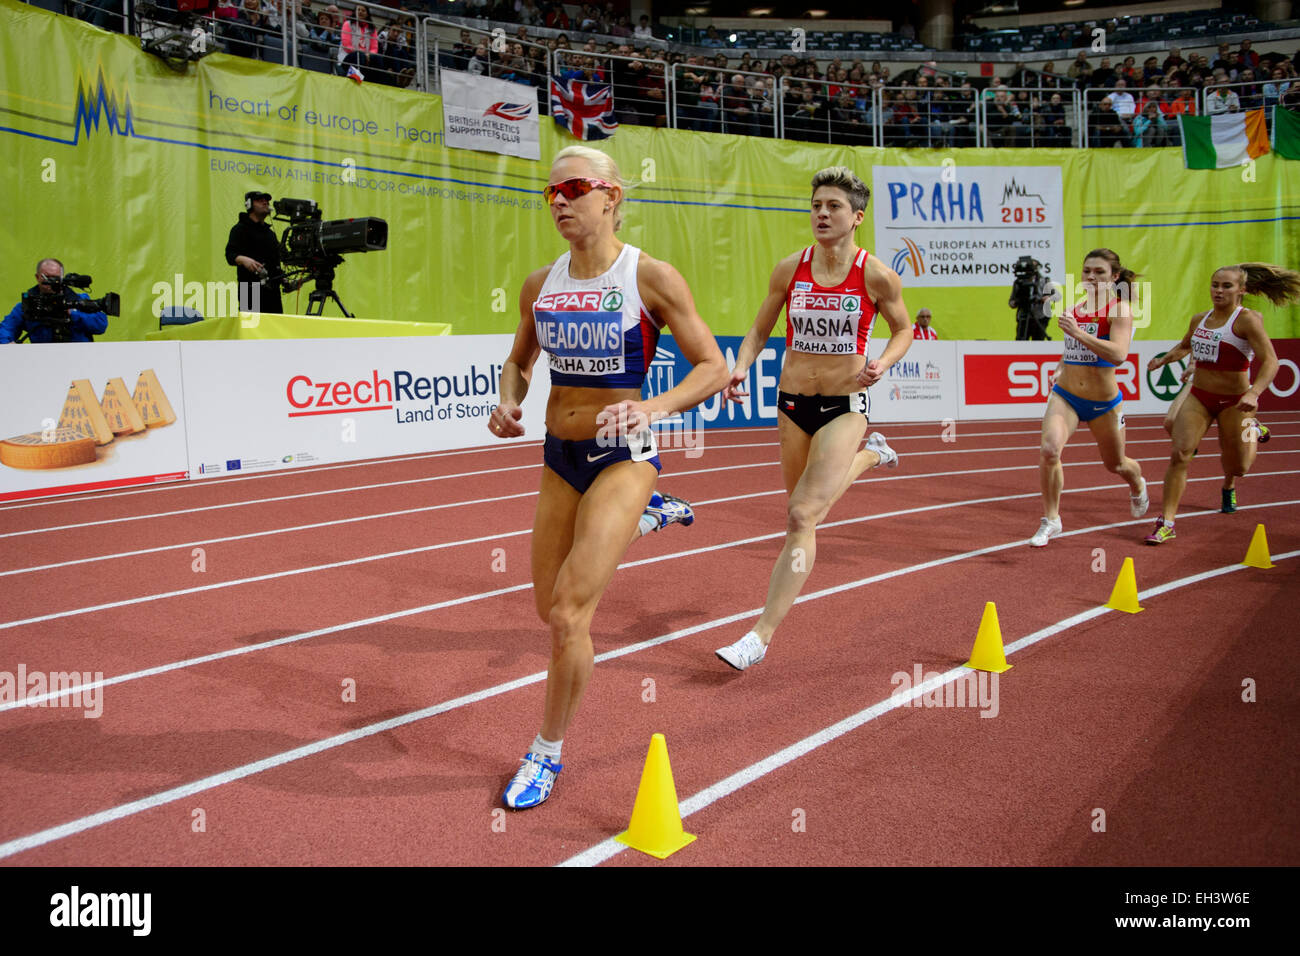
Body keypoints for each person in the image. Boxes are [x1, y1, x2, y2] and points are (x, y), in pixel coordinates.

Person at [490, 146, 727, 809]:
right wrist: (507, 399)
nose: (560, 200)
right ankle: (648, 520)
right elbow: (518, 361)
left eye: (573, 187)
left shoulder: (648, 276)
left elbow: (711, 366)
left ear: (612, 196)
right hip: (559, 460)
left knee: (569, 615)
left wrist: (651, 407)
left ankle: (545, 752)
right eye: (551, 192)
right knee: (547, 608)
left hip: (625, 458)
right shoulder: (541, 284)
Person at [714, 167, 913, 671]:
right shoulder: (790, 269)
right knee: (808, 509)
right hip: (792, 404)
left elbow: (904, 328)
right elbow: (760, 330)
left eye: (834, 207)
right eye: (817, 205)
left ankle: (759, 636)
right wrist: (739, 368)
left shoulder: (875, 274)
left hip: (844, 405)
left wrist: (883, 363)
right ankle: (872, 457)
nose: (822, 214)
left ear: (857, 217)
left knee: (801, 515)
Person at [1144, 264, 1300, 542]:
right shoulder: (1199, 319)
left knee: (1239, 466)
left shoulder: (1247, 320)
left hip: (1235, 403)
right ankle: (1166, 522)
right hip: (1200, 397)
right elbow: (1185, 346)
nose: (1218, 290)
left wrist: (1253, 394)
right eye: (1215, 284)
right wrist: (1164, 359)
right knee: (1180, 454)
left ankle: (1238, 463)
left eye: (1226, 286)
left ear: (1241, 290)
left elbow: (1272, 361)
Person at [1030, 248, 1149, 547]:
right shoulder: (1076, 307)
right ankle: (1051, 520)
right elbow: (1071, 348)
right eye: (1087, 271)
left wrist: (1079, 333)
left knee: (1116, 464)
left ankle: (1137, 482)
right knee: (1049, 450)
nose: (1091, 277)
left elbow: (1119, 355)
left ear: (1115, 277)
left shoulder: (1119, 310)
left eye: (1100, 272)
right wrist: (1060, 367)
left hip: (1103, 403)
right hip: (1067, 395)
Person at [0, 258, 108, 344]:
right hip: (43, 362)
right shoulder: (28, 305)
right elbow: (5, 329)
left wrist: (72, 312)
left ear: (62, 278)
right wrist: (8, 345)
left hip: (79, 360)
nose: (52, 282)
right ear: (37, 277)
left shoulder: (77, 300)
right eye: (47, 277)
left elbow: (101, 324)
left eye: (55, 278)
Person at [225, 190, 283, 315]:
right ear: (249, 205)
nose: (265, 202)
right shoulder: (240, 229)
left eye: (267, 200)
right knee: (251, 330)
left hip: (273, 293)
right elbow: (230, 255)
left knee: (274, 332)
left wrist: (284, 280)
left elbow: (276, 262)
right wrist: (244, 260)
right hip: (249, 290)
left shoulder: (270, 234)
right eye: (260, 200)